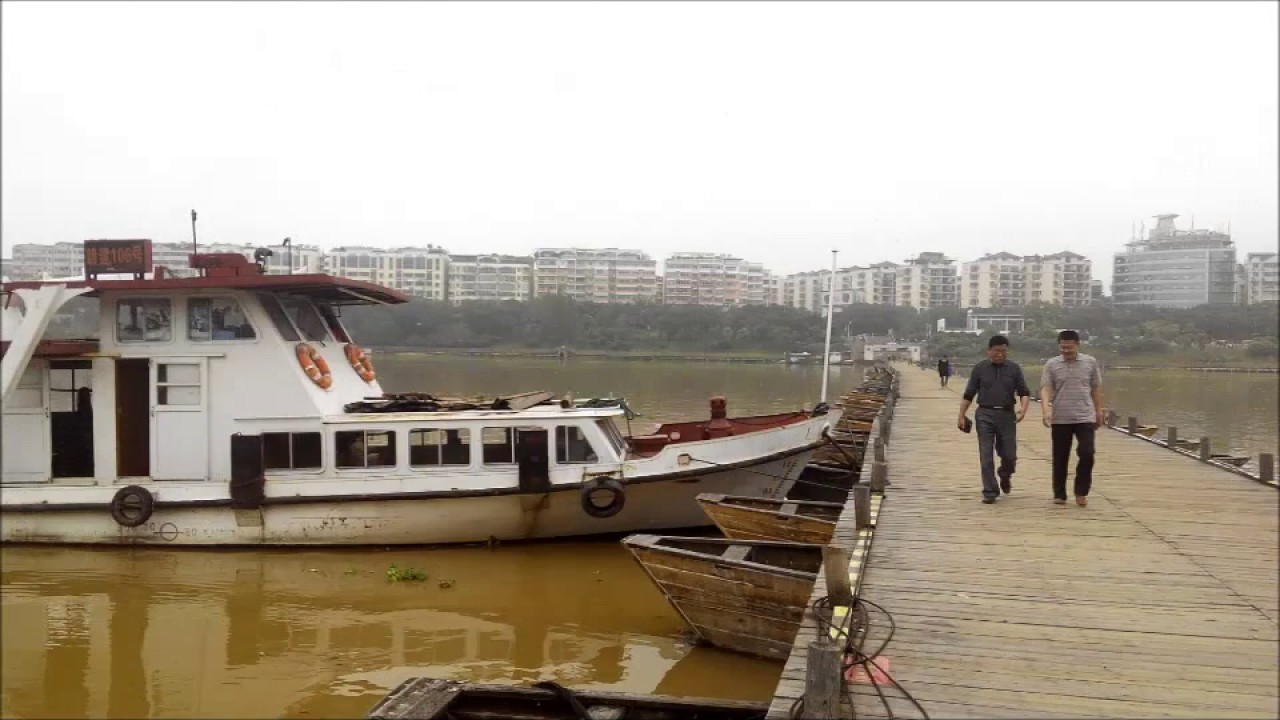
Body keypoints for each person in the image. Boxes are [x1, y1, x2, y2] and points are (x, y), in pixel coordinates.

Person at [956, 335, 1030, 504]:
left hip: (1007, 415)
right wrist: (961, 415)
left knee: (1009, 455)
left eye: (1004, 351)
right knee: (986, 454)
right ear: (989, 351)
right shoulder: (980, 369)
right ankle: (990, 491)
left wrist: (1023, 409)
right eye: (997, 351)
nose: (1000, 354)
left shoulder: (1014, 369)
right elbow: (969, 394)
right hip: (985, 415)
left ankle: (1005, 473)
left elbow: (1024, 392)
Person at [1040, 330, 1104, 507]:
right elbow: (1046, 388)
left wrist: (1098, 411)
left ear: (1077, 345)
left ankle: (1081, 491)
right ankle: (1059, 493)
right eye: (1062, 347)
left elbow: (1096, 388)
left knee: (1087, 453)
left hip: (1085, 415)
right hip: (1061, 416)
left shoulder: (1089, 362)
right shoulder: (1052, 364)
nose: (1066, 351)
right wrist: (1046, 410)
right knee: (1060, 456)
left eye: (1069, 347)